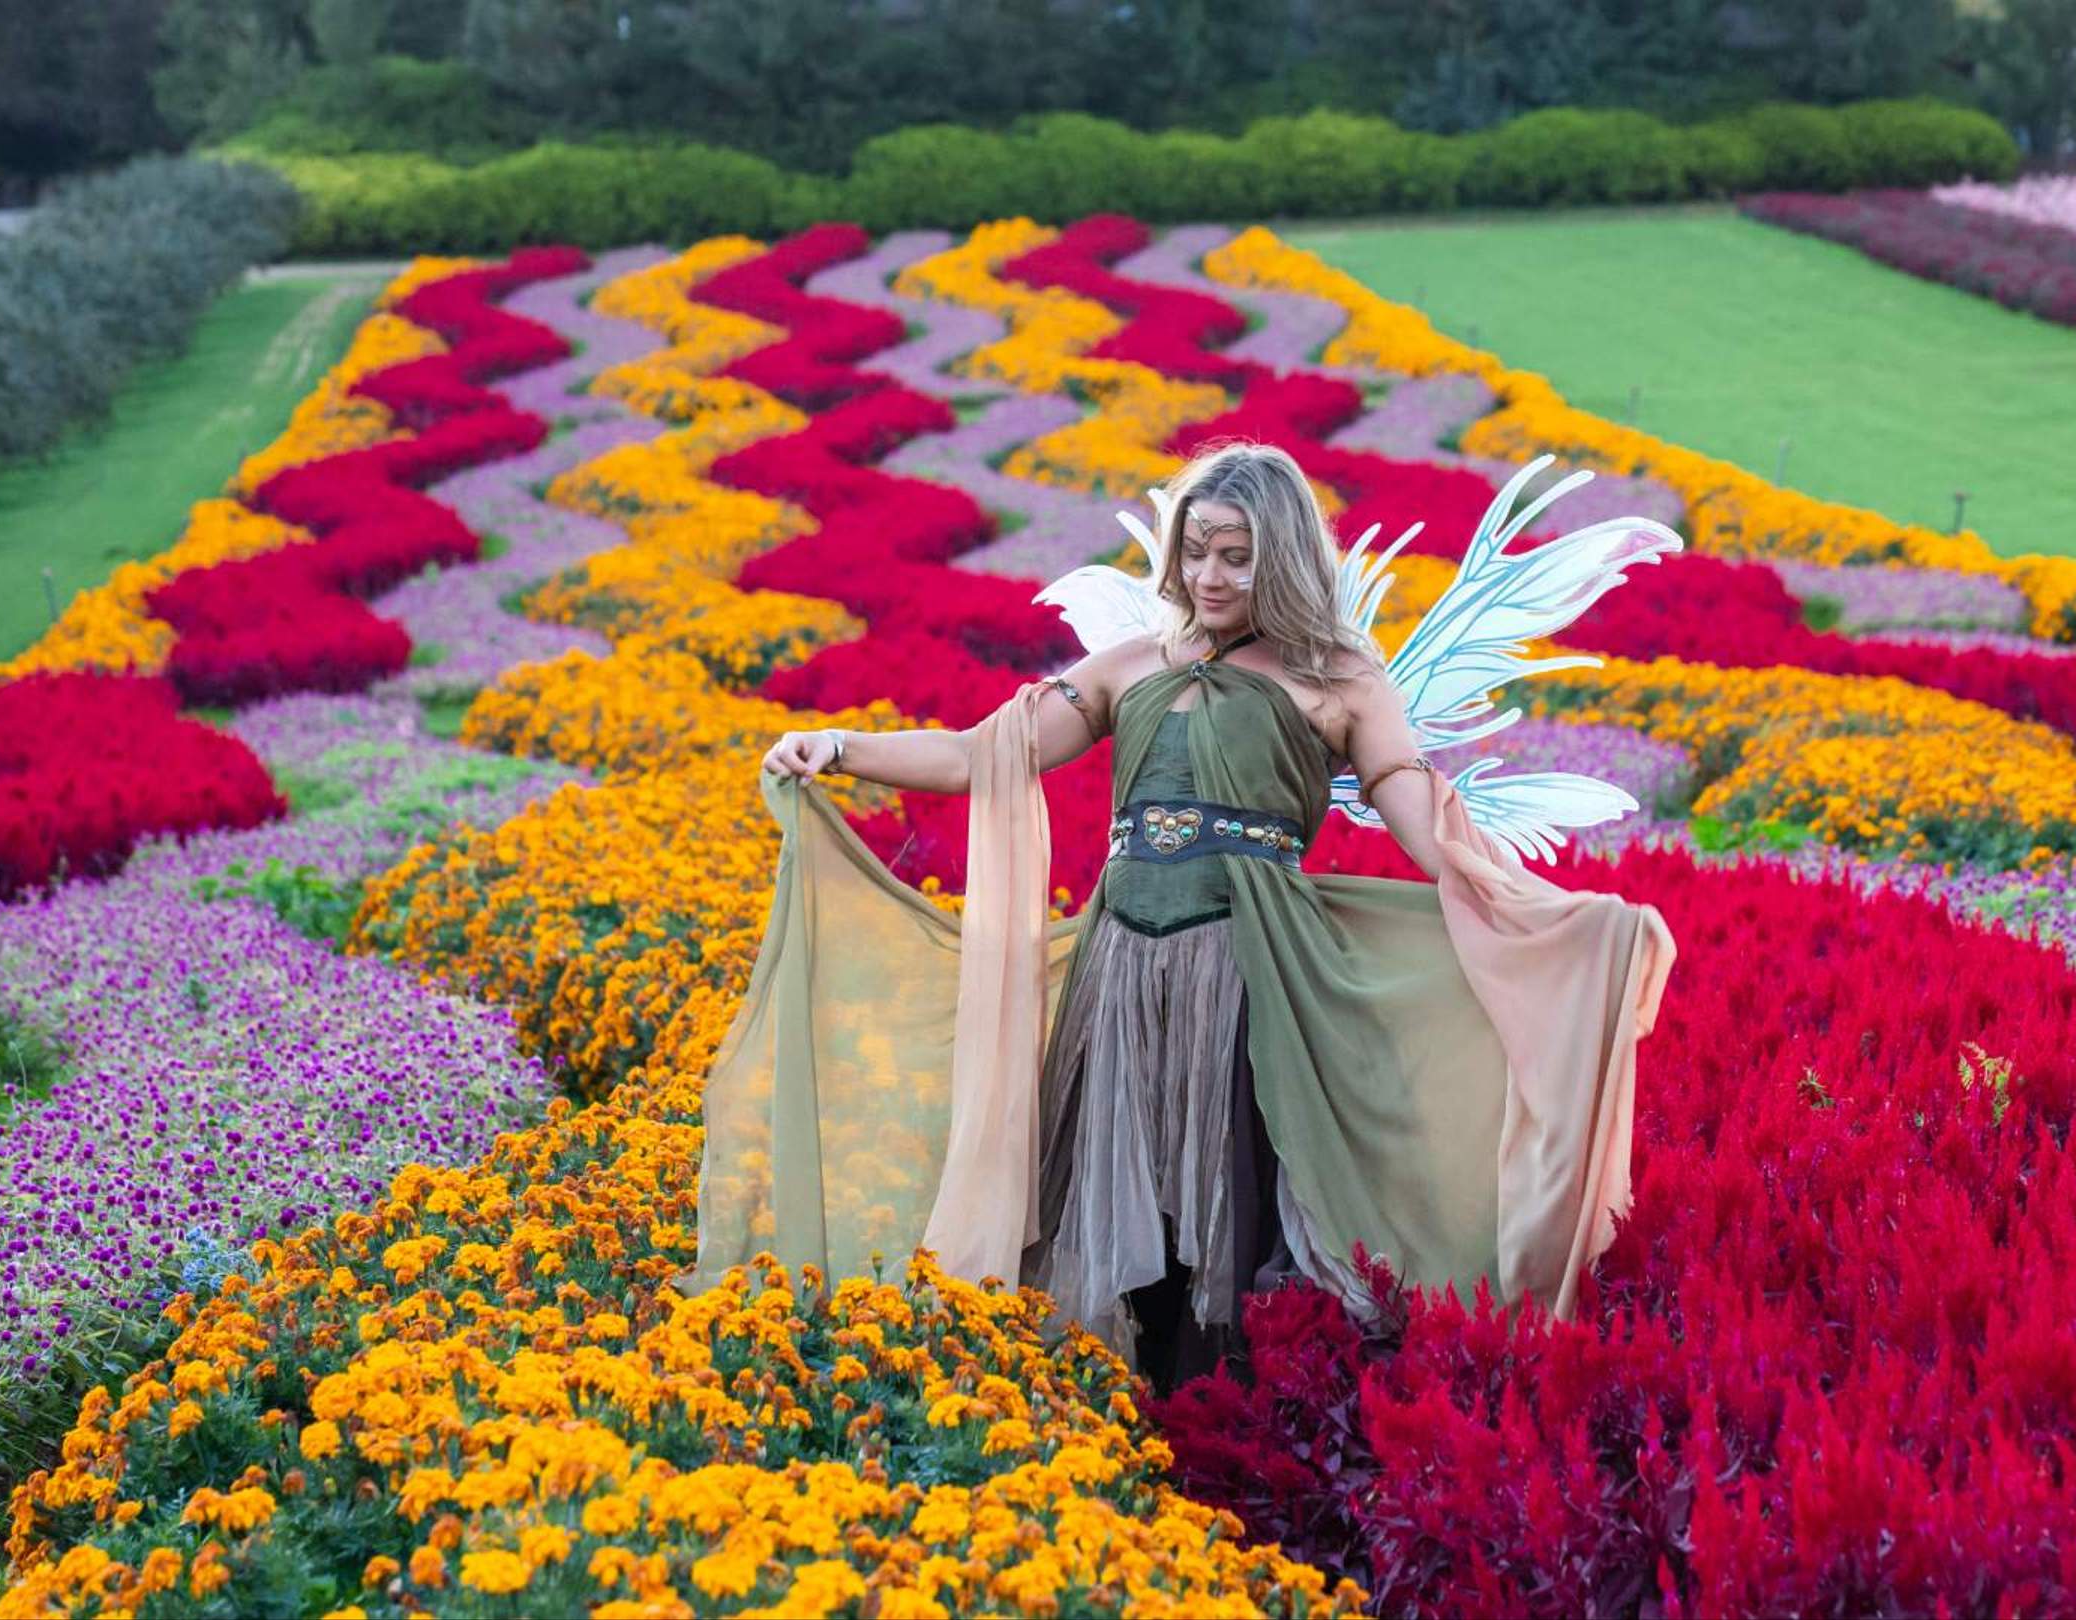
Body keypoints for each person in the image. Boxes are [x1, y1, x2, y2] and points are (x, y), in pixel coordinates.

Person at [694, 441, 1674, 1394]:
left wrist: (1538, 913)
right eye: (1196, 551)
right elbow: (977, 755)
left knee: (1236, 1208)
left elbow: (1417, 812)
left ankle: (1222, 1422)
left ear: (1282, 558)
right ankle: (1104, 1416)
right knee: (1111, 1195)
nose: (1209, 575)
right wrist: (837, 746)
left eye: (1236, 557)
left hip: (1257, 968)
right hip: (1121, 962)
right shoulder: (1132, 663)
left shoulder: (1341, 678)